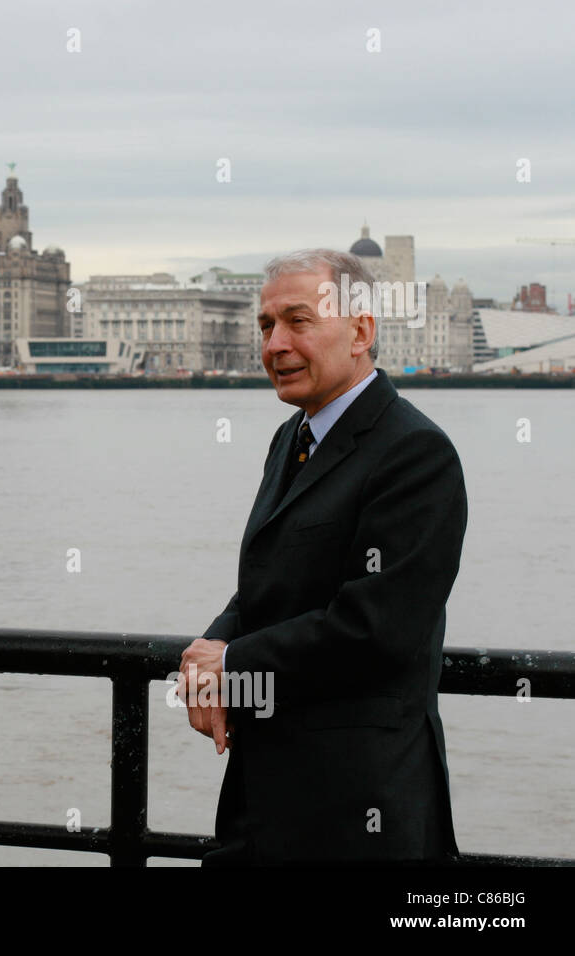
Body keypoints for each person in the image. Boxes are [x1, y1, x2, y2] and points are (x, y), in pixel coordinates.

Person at [178, 248, 467, 865]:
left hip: (357, 811)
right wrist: (209, 651)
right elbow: (270, 582)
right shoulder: (293, 436)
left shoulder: (415, 453)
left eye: (298, 321)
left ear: (361, 331)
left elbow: (376, 629)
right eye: (265, 325)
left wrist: (233, 662)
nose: (274, 344)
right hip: (262, 800)